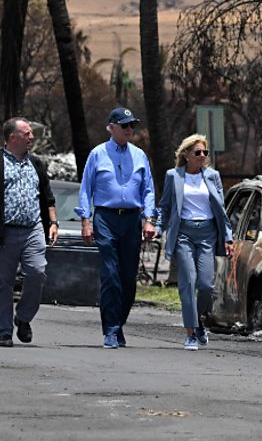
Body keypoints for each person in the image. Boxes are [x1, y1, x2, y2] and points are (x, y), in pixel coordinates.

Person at [0, 117, 58, 347]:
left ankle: (23, 318)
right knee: (2, 284)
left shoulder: (36, 163)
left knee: (37, 272)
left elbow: (47, 195)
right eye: (27, 133)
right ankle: (4, 332)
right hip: (2, 232)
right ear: (13, 137)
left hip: (33, 229)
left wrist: (53, 222)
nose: (32, 137)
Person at [76, 107, 157, 348]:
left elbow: (148, 190)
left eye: (132, 125)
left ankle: (118, 323)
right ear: (111, 127)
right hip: (106, 218)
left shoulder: (140, 155)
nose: (129, 129)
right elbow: (85, 189)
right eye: (124, 125)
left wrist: (150, 219)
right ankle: (110, 329)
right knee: (110, 275)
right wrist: (86, 221)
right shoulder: (97, 154)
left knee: (128, 278)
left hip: (131, 219)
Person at [157, 134, 234, 350]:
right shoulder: (173, 176)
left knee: (206, 285)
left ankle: (198, 320)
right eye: (197, 152)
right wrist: (156, 227)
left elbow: (221, 210)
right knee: (188, 282)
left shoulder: (212, 176)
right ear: (186, 155)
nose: (202, 156)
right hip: (184, 233)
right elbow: (165, 206)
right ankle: (191, 333)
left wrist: (227, 236)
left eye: (205, 152)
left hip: (208, 233)